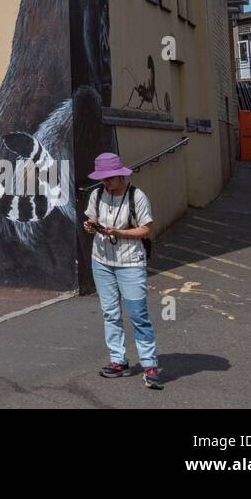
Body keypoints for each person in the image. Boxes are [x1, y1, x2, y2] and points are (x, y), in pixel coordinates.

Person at [82, 152, 162, 390]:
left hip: (131, 263)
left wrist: (119, 233)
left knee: (138, 315)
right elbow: (91, 219)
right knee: (110, 313)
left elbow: (146, 229)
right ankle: (118, 360)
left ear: (120, 175)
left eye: (109, 179)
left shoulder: (137, 196)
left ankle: (150, 365)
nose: (105, 183)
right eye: (102, 179)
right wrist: (90, 226)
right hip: (102, 261)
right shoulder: (96, 195)